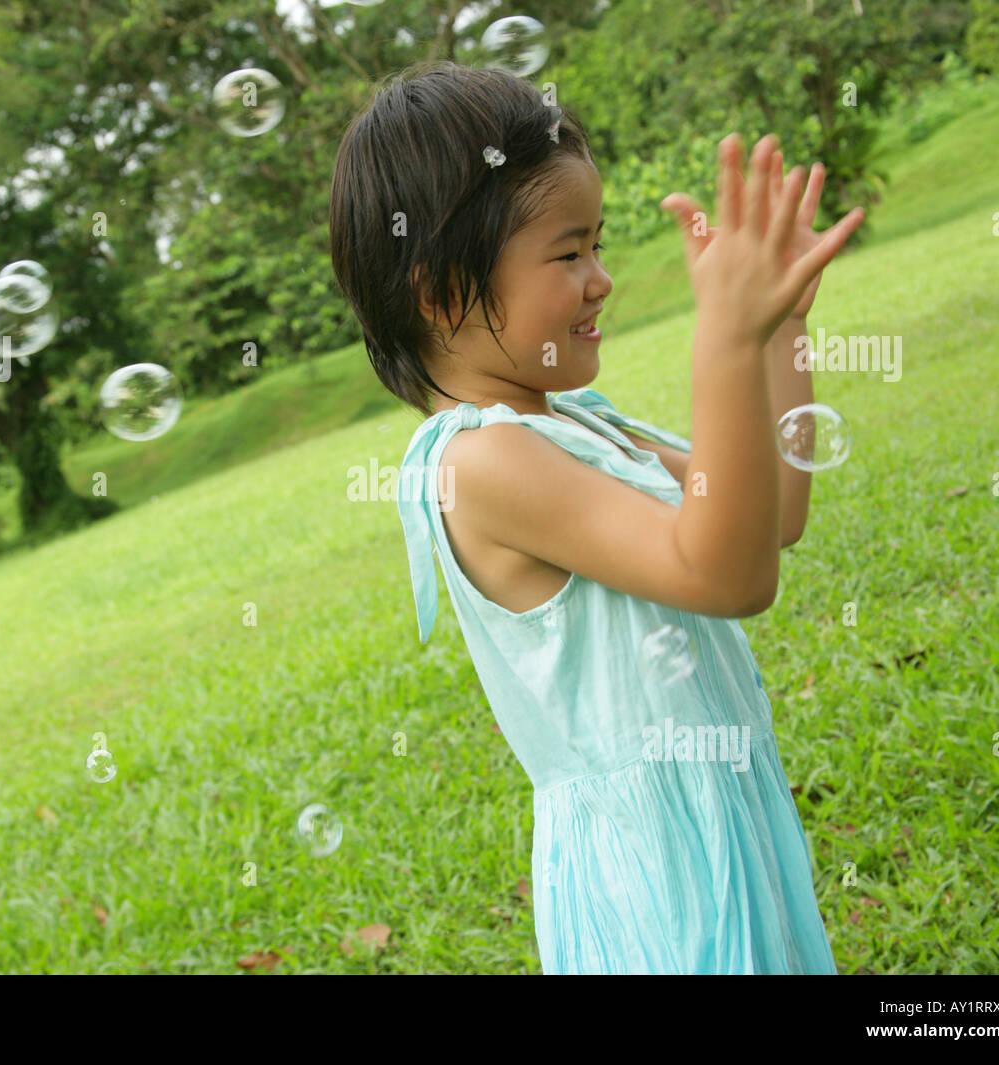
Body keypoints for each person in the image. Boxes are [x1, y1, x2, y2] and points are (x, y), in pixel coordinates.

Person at [328, 60, 864, 974]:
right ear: (442, 292)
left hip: (717, 818)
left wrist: (779, 326)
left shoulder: (578, 421)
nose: (602, 278)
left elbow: (773, 513)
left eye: (598, 245)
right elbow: (729, 575)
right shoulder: (481, 462)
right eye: (568, 253)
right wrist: (724, 340)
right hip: (655, 877)